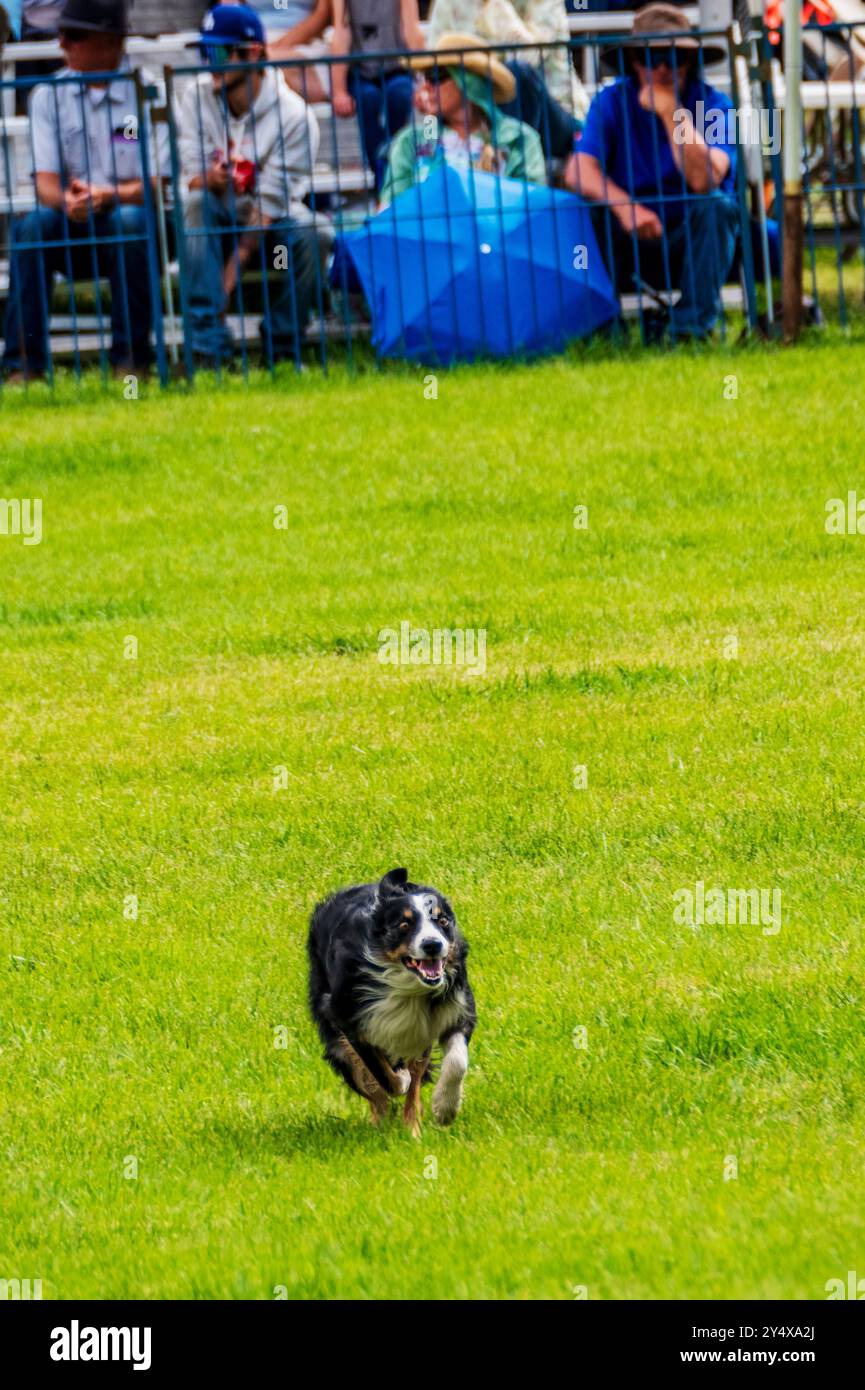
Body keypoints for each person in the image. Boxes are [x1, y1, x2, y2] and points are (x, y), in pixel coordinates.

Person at [2, 0, 170, 383]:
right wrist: (69, 201)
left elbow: (158, 183)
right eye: (61, 34)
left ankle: (131, 363)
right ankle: (23, 367)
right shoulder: (47, 95)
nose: (62, 44)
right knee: (30, 229)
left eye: (73, 36)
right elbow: (44, 183)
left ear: (112, 42)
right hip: (73, 223)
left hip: (134, 223)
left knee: (129, 222)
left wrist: (107, 195)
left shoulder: (149, 94)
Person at [564, 3, 740, 341]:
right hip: (628, 241)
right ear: (633, 62)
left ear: (689, 62)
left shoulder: (715, 105)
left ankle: (690, 332)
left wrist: (673, 114)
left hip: (693, 243)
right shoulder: (610, 101)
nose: (661, 69)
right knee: (590, 211)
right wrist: (625, 207)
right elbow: (577, 170)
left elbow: (704, 180)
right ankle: (602, 328)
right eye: (650, 57)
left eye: (672, 58)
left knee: (718, 207)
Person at [178, 4, 320, 367]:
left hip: (269, 223)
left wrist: (227, 283)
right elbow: (191, 175)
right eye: (205, 52)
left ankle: (282, 346)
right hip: (216, 211)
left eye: (219, 51)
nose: (210, 62)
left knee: (312, 234)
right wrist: (210, 179)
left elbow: (268, 209)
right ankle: (208, 349)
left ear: (253, 53)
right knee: (196, 203)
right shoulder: (195, 95)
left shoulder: (295, 116)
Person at [380, 31, 544, 203]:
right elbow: (389, 210)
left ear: (468, 82)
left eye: (435, 76)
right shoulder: (412, 140)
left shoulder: (518, 138)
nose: (426, 86)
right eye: (424, 77)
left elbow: (533, 207)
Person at [426, 0, 586, 156]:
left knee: (516, 73)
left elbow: (529, 56)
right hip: (477, 114)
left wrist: (495, 4)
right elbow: (431, 66)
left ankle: (504, 170)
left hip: (557, 118)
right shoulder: (447, 3)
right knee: (430, 100)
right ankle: (426, 162)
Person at [331, 0, 424, 184]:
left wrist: (422, 81)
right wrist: (339, 90)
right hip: (360, 70)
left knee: (399, 94)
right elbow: (341, 32)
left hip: (397, 67)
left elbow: (411, 30)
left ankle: (397, 170)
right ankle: (384, 179)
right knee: (368, 99)